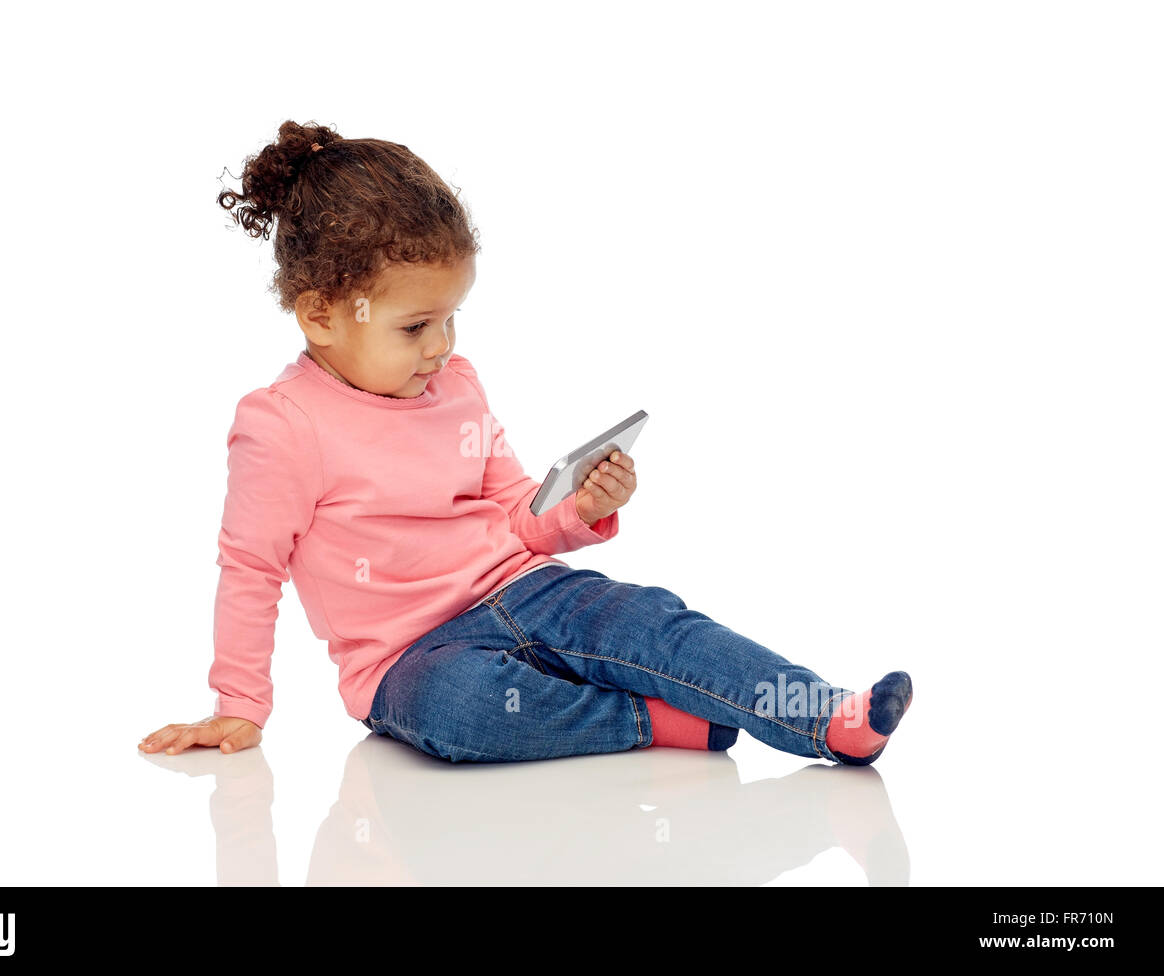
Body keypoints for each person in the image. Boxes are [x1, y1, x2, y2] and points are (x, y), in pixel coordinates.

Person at [139, 120, 912, 765]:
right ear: (322, 316)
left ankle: (828, 716)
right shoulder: (281, 425)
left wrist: (575, 510)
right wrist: (241, 704)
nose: (441, 346)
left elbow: (515, 513)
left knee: (650, 622)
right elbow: (250, 567)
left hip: (527, 588)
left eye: (451, 318)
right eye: (415, 327)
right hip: (409, 659)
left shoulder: (458, 385)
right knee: (462, 712)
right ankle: (654, 723)